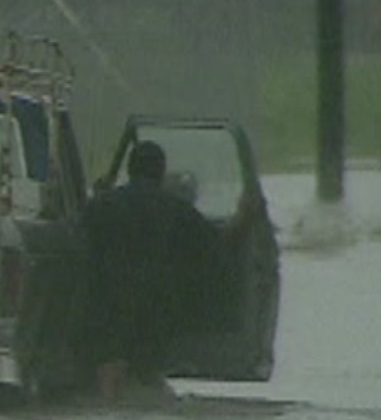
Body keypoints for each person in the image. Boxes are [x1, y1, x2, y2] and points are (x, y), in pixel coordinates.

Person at [79, 140, 262, 405]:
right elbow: (220, 246)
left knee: (111, 370)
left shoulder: (103, 205)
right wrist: (245, 215)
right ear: (161, 172)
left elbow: (76, 237)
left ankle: (110, 419)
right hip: (157, 307)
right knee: (149, 374)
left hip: (108, 304)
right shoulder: (176, 209)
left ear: (129, 169)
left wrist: (98, 194)